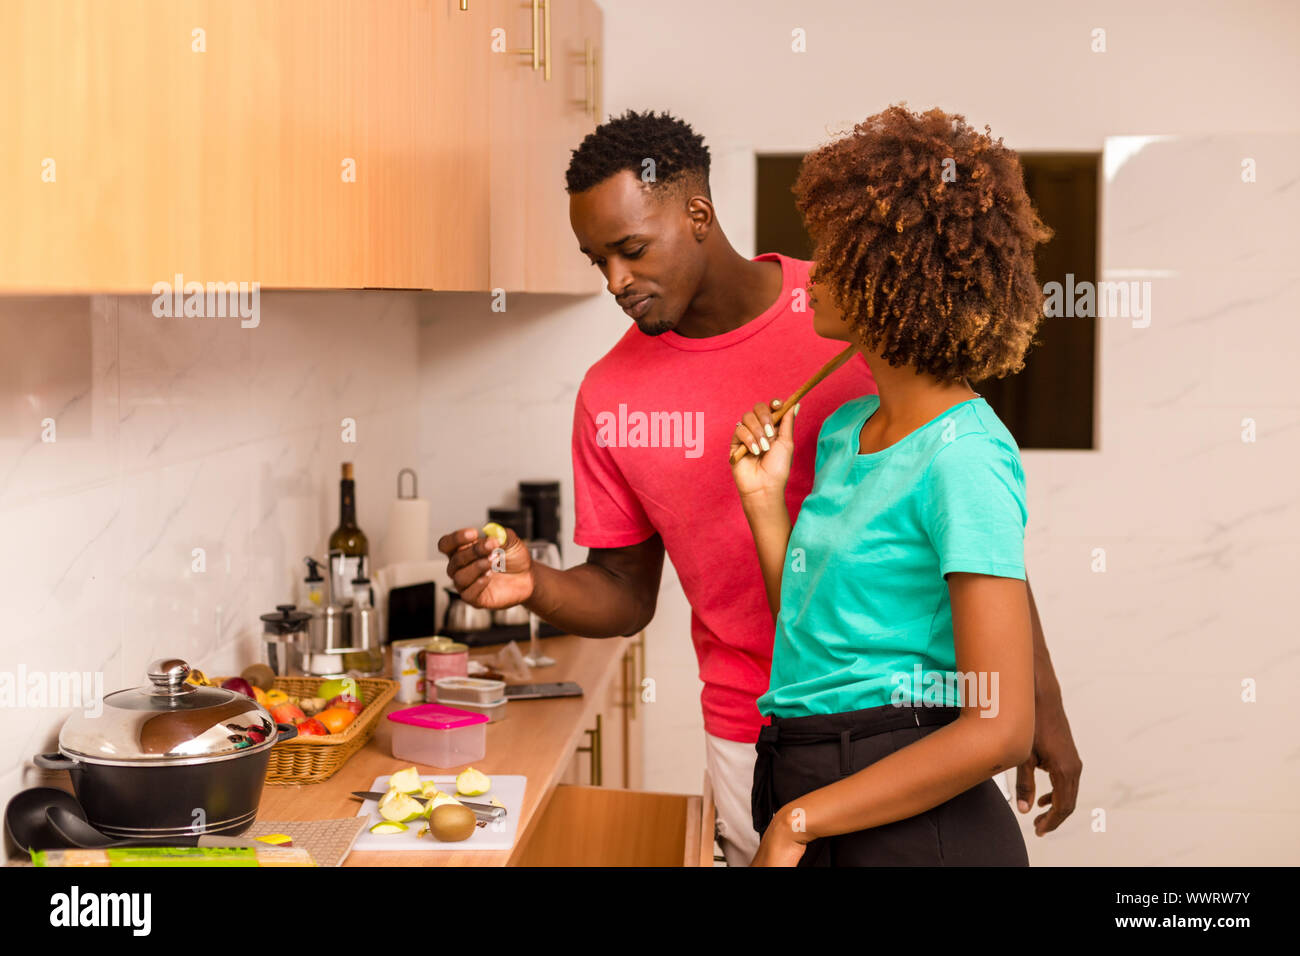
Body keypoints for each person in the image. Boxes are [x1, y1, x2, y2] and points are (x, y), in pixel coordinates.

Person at [436, 110, 1080, 866]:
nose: (615, 281)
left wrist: (1044, 702)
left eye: (632, 249)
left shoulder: (866, 306)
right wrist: (534, 583)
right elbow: (636, 591)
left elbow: (974, 524)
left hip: (909, 732)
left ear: (697, 214)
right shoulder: (614, 397)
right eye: (595, 261)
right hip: (757, 734)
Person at [737, 104, 1053, 866]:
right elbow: (819, 635)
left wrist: (797, 824)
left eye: (835, 254)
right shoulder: (848, 429)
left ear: (894, 274)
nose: (814, 274)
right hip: (815, 784)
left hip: (912, 833)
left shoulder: (966, 456)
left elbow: (1001, 726)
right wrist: (762, 499)